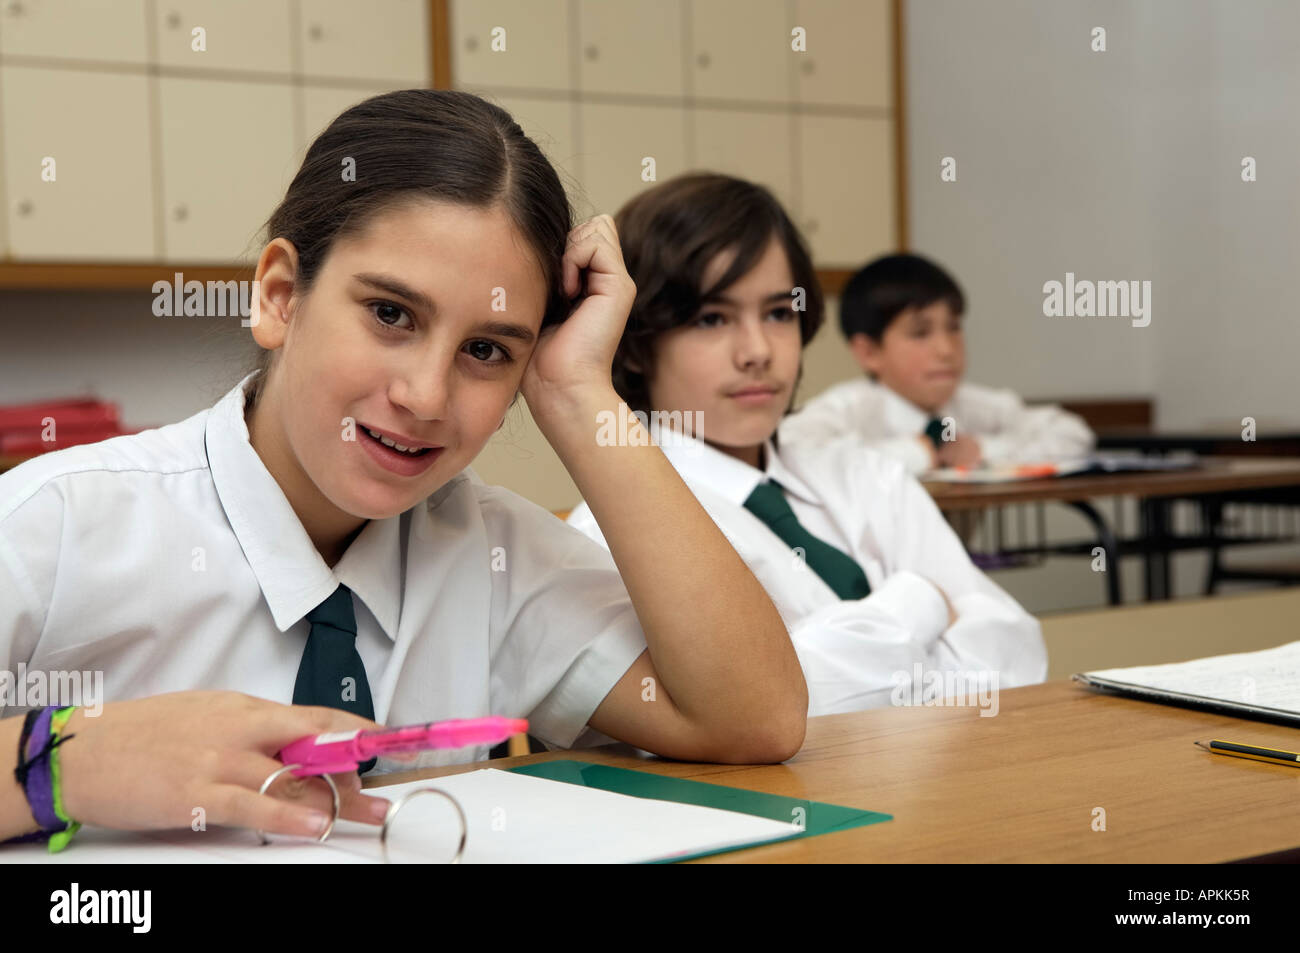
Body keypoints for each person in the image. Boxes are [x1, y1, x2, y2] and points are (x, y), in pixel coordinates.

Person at [0, 92, 806, 849]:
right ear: (281, 295)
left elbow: (753, 719)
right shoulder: (58, 525)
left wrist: (578, 393)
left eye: (487, 350)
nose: (424, 395)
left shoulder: (494, 556)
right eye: (391, 314)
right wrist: (67, 763)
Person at [566, 173, 1046, 716]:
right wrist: (921, 604)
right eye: (712, 319)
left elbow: (1016, 650)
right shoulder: (611, 530)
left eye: (777, 313)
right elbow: (756, 713)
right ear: (633, 346)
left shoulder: (865, 474)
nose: (757, 352)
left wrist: (838, 667)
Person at [780, 253, 1095, 474]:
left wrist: (983, 451)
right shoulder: (849, 408)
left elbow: (1072, 435)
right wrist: (915, 454)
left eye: (954, 327)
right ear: (868, 353)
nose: (946, 349)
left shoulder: (972, 406)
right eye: (920, 333)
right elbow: (793, 451)